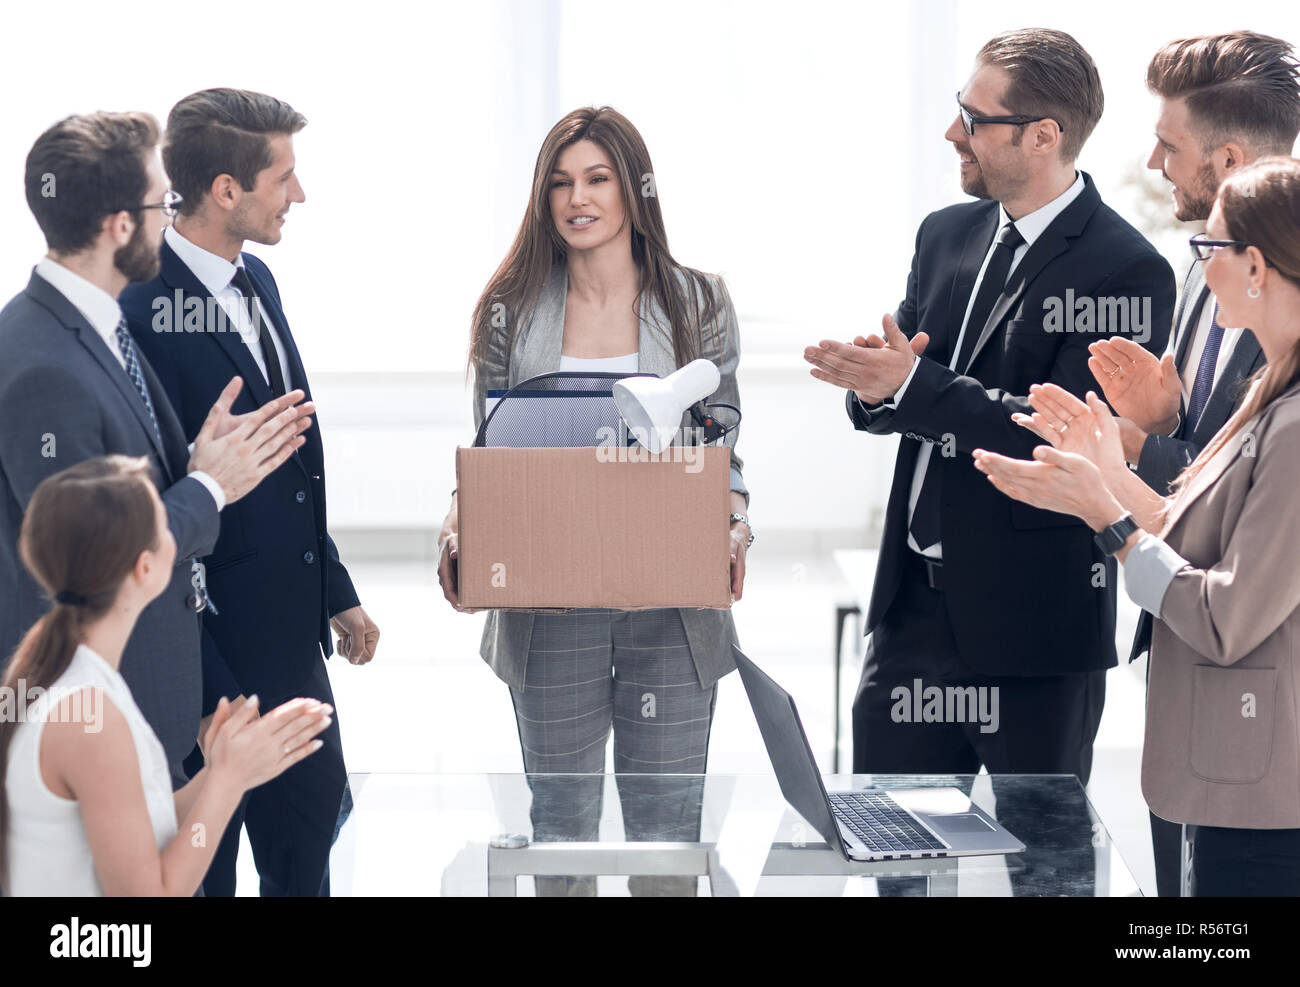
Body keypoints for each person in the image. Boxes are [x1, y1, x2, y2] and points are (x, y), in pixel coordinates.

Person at [803, 29, 1174, 782]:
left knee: (1045, 871)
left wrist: (908, 386)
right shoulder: (945, 234)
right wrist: (875, 385)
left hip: (1033, 633)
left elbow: (1060, 436)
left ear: (1044, 136)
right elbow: (909, 387)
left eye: (974, 118)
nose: (952, 133)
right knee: (893, 855)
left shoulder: (1129, 268)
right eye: (957, 109)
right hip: (910, 618)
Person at [438, 106, 750, 896]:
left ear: (634, 189)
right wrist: (460, 524)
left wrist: (736, 521)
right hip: (550, 605)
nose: (578, 198)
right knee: (562, 839)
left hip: (671, 606)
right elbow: (491, 446)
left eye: (598, 179)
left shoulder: (697, 302)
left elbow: (724, 447)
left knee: (666, 842)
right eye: (560, 183)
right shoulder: (511, 308)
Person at [974, 156, 1300, 897]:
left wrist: (1110, 520)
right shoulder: (1265, 396)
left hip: (1260, 795)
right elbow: (1193, 531)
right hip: (1221, 775)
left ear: (1256, 266)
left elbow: (1225, 619)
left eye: (1209, 249)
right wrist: (1104, 468)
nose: (1199, 268)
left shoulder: (1293, 421)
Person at [0, 111, 315, 787]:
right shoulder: (42, 367)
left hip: (140, 717)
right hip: (95, 727)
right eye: (161, 203)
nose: (172, 216)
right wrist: (208, 486)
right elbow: (95, 565)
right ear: (120, 225)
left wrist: (196, 457)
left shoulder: (94, 327)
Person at [120, 89, 376, 897]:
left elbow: (289, 460)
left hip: (294, 656)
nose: (298, 195)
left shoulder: (257, 278)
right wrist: (203, 690)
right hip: (212, 676)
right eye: (284, 178)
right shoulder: (141, 312)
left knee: (306, 863)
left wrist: (335, 591)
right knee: (208, 877)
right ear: (226, 189)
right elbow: (150, 518)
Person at [1087, 31, 1300, 898]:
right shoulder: (1198, 278)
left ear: (1231, 159)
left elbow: (1249, 527)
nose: (1153, 161)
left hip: (1258, 726)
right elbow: (1213, 464)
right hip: (1191, 700)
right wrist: (1157, 422)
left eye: (1169, 145)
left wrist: (1114, 476)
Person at [0, 456, 332, 896]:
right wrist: (227, 782)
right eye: (168, 530)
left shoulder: (83, 676)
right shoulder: (89, 718)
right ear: (145, 568)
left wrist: (222, 773)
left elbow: (146, 823)